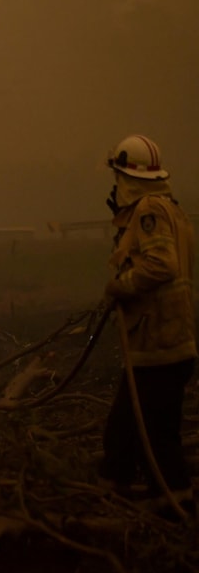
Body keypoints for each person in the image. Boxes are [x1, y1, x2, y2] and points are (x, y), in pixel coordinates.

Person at [99, 134, 195, 516]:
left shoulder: (149, 212)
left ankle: (170, 511)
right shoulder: (173, 209)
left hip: (159, 345)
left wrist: (121, 286)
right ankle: (139, 501)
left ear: (126, 177)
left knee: (146, 434)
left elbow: (161, 265)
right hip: (166, 342)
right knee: (137, 432)